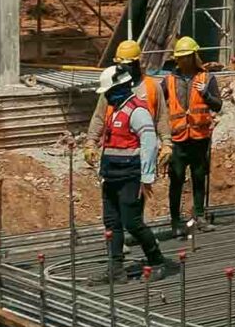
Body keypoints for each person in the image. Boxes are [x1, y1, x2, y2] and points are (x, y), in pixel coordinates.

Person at [94, 64, 170, 283]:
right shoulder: (116, 111)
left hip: (130, 177)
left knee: (132, 222)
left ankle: (157, 261)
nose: (106, 97)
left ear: (119, 88)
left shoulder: (137, 112)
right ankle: (115, 268)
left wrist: (146, 178)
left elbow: (149, 144)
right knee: (112, 223)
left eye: (108, 92)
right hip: (112, 176)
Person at [157, 36, 225, 239]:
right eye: (181, 58)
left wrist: (206, 95)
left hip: (199, 138)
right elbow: (159, 105)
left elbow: (217, 106)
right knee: (176, 180)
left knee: (198, 177)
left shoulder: (207, 79)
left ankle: (199, 216)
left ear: (194, 56)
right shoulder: (168, 80)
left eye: (187, 57)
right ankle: (175, 220)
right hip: (178, 140)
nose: (184, 61)